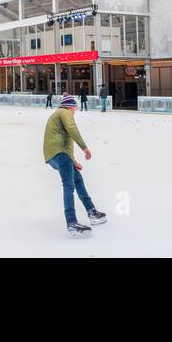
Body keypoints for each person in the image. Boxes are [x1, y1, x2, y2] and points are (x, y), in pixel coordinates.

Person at [43, 93, 106, 237]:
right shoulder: (64, 112)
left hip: (57, 154)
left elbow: (65, 140)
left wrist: (74, 161)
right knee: (69, 185)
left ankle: (91, 211)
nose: (75, 111)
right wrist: (85, 148)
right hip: (58, 153)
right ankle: (71, 222)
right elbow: (72, 130)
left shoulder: (58, 115)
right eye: (75, 108)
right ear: (71, 106)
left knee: (77, 180)